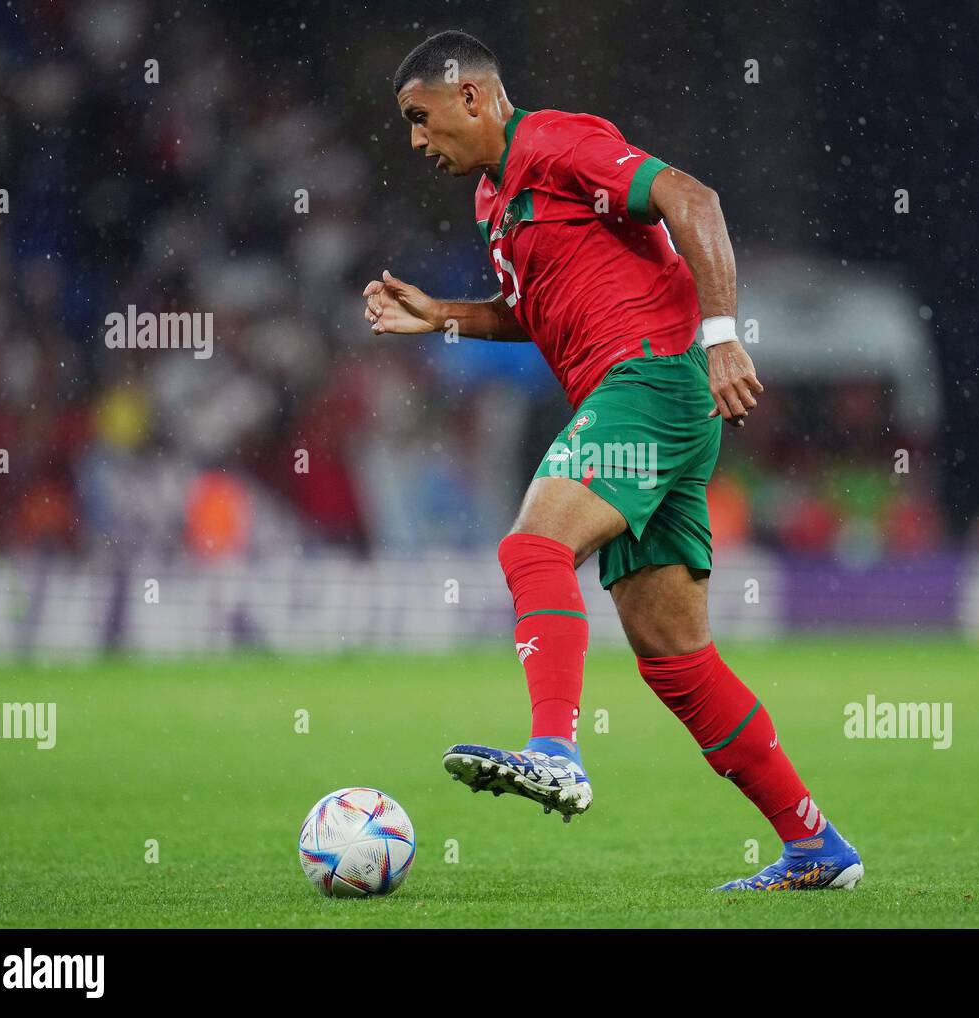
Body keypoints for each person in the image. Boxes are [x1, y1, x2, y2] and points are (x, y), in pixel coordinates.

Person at [364, 30, 862, 891]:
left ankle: (555, 748)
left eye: (421, 118)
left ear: (472, 98)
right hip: (646, 398)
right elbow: (534, 311)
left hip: (650, 382)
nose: (414, 141)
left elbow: (692, 199)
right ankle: (816, 847)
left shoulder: (559, 142)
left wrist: (723, 338)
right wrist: (440, 313)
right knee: (675, 657)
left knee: (532, 548)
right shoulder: (494, 202)